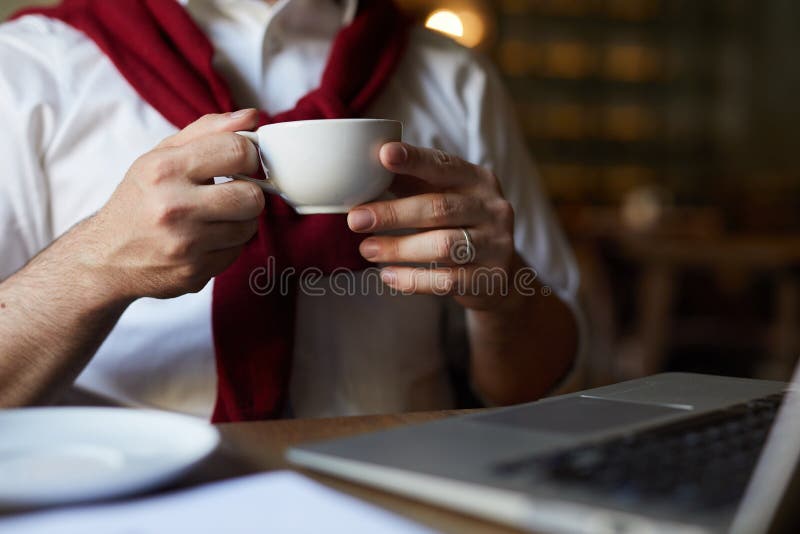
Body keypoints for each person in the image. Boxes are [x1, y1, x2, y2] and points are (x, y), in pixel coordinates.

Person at [0, 0, 583, 420]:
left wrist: (507, 299)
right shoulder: (27, 70)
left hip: (403, 506)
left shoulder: (454, 77)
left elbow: (564, 393)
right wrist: (96, 262)